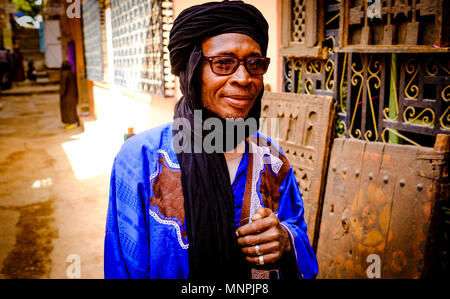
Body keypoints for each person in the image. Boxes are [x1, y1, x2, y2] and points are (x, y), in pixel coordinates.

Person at [104, 0, 318, 279]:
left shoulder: (272, 159)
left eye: (254, 64)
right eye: (223, 63)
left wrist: (285, 239)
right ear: (192, 71)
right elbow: (123, 266)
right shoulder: (141, 159)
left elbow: (296, 231)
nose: (244, 78)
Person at [59, 61, 79, 129]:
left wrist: (61, 94)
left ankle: (74, 123)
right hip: (73, 94)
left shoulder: (64, 74)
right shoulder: (72, 73)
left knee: (69, 110)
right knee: (72, 109)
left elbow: (63, 86)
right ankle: (73, 122)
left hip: (67, 96)